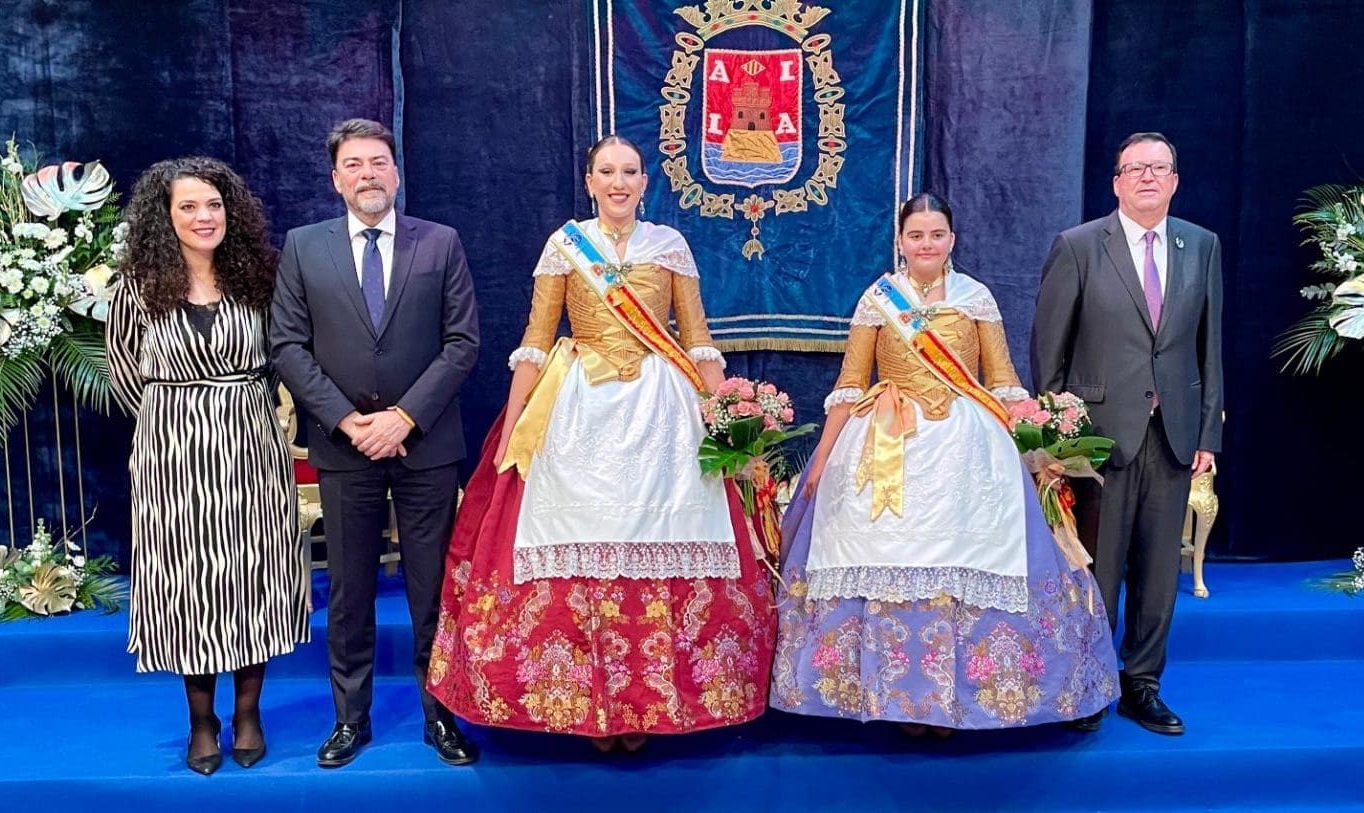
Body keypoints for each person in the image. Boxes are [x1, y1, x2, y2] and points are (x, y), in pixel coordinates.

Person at [425, 135, 775, 753]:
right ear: (589, 181)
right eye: (607, 172)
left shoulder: (670, 246)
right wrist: (512, 427)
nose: (619, 182)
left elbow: (698, 341)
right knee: (579, 545)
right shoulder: (566, 246)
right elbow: (535, 341)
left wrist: (730, 419)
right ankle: (588, 700)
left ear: (646, 182)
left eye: (630, 172)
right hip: (578, 408)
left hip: (662, 410)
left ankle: (647, 702)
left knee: (660, 541)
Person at [772, 193, 1119, 733]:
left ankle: (960, 693)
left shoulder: (975, 297)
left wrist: (1035, 448)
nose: (926, 244)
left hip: (967, 442)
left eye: (936, 234)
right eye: (916, 235)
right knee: (885, 552)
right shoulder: (879, 299)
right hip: (886, 438)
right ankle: (893, 693)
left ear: (951, 241)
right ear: (902, 242)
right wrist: (821, 458)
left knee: (978, 552)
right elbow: (848, 384)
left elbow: (1001, 380)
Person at [270, 118, 480, 767]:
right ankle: (349, 719)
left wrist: (404, 418)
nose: (368, 173)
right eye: (354, 163)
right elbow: (287, 345)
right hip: (344, 448)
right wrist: (346, 419)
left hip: (425, 446)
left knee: (431, 590)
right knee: (352, 591)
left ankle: (440, 714)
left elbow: (462, 342)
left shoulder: (440, 243)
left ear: (395, 172)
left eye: (378, 162)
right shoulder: (304, 247)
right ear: (337, 178)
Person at [107, 156, 309, 775]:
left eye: (214, 205)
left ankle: (249, 712)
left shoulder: (258, 281)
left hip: (251, 452)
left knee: (255, 579)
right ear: (164, 217)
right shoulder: (135, 287)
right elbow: (122, 373)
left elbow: (283, 362)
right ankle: (202, 721)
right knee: (187, 586)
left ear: (231, 213)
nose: (203, 216)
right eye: (188, 206)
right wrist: (174, 429)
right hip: (171, 458)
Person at [1031, 132, 1223, 735]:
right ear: (1116, 181)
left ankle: (1142, 685)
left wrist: (1209, 432)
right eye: (1134, 168)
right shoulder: (1080, 246)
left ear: (1174, 180)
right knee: (1098, 569)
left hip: (1175, 435)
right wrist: (1052, 440)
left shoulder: (1202, 246)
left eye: (1158, 168)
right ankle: (1085, 684)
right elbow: (1049, 353)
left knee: (1160, 572)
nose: (1146, 177)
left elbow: (1209, 347)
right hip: (1098, 440)